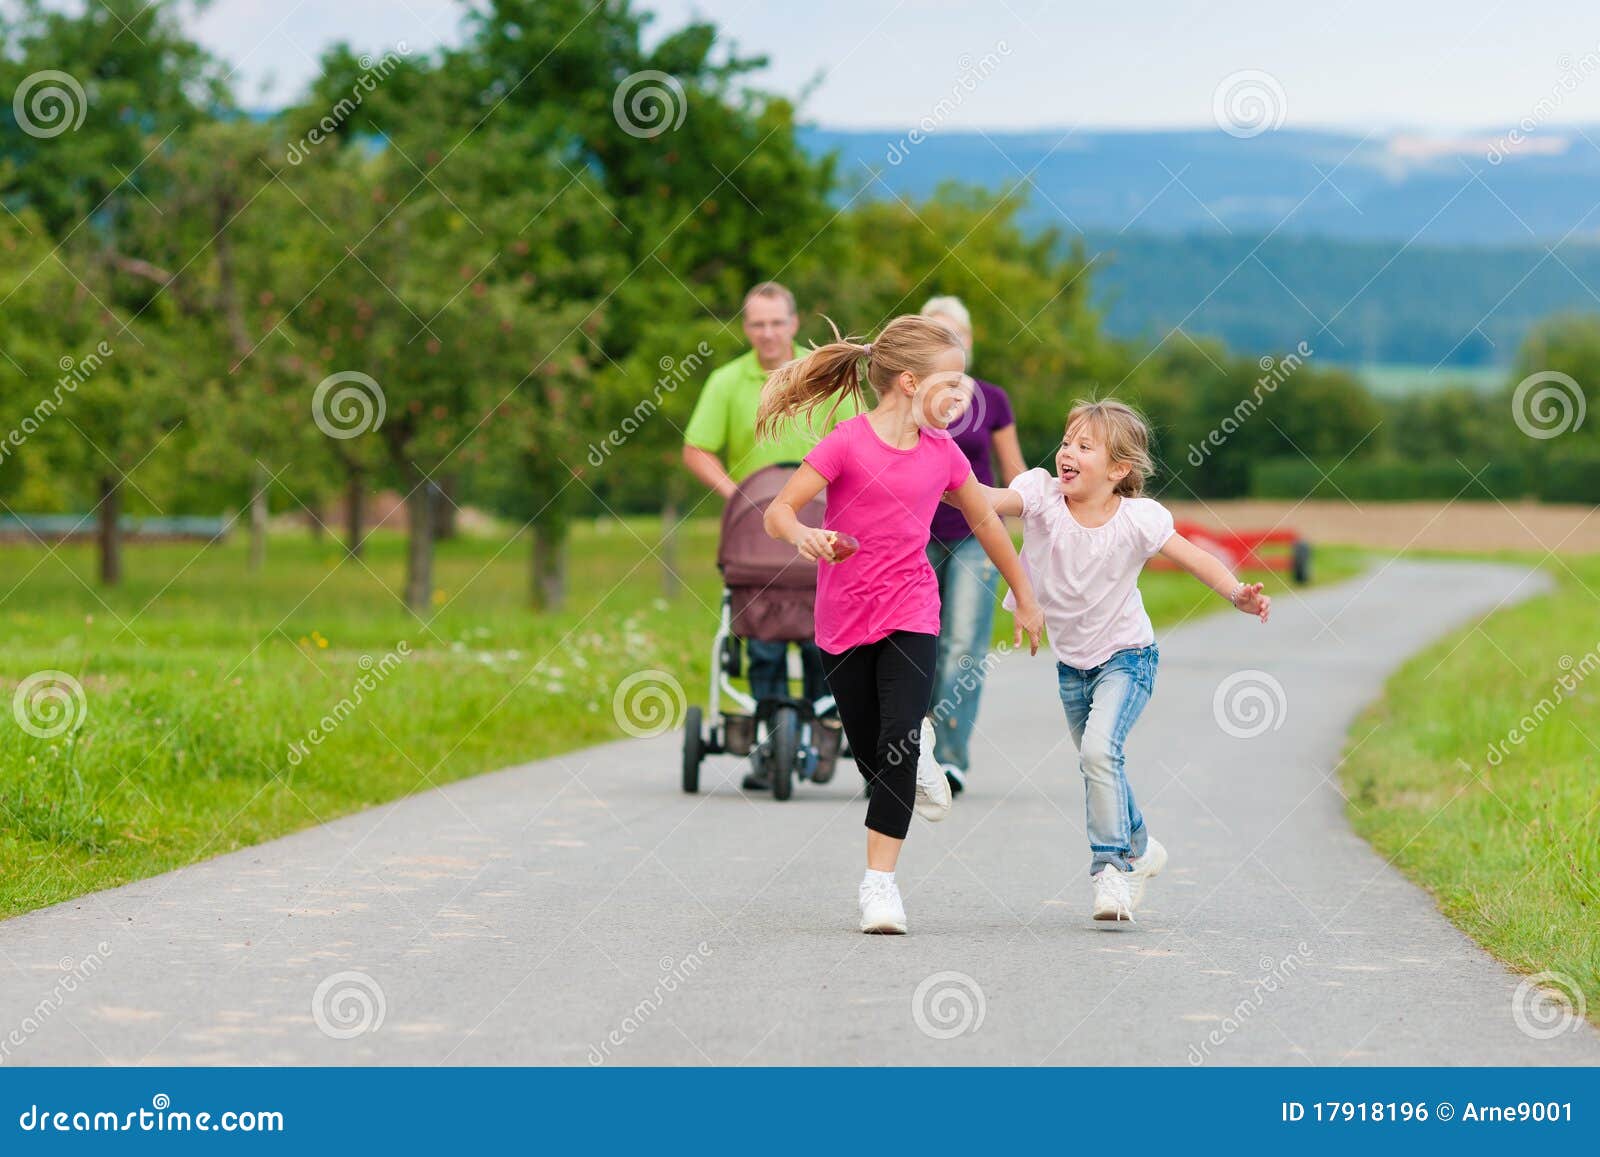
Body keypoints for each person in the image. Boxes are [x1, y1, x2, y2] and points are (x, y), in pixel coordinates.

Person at [758, 315, 1044, 935]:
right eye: (952, 386)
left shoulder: (943, 455)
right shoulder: (846, 443)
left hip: (912, 611)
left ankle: (880, 885)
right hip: (841, 620)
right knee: (872, 755)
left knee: (896, 745)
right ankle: (915, 762)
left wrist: (1023, 593)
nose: (963, 400)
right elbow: (778, 511)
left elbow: (987, 523)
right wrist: (807, 535)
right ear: (910, 382)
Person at [962, 399, 1271, 922]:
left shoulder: (1138, 520)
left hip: (1129, 658)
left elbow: (1195, 557)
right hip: (1072, 666)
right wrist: (937, 471)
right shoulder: (1039, 495)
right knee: (1098, 761)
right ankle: (1142, 847)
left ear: (1118, 469)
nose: (1067, 453)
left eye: (1085, 447)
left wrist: (1236, 592)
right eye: (1066, 442)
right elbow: (986, 497)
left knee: (1100, 751)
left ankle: (1111, 870)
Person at [682, 282, 862, 791]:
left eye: (776, 322)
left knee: (819, 634)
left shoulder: (824, 374)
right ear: (745, 327)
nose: (767, 333)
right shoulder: (727, 380)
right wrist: (739, 496)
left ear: (794, 322)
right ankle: (766, 741)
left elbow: (859, 440)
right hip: (757, 533)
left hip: (819, 523)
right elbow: (697, 447)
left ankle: (824, 725)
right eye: (757, 323)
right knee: (758, 635)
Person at [918, 296, 1026, 797]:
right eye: (935, 337)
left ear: (970, 344)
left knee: (962, 644)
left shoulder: (992, 400)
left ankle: (951, 758)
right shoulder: (909, 399)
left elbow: (1015, 476)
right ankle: (910, 749)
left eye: (955, 337)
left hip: (975, 536)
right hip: (913, 533)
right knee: (916, 647)